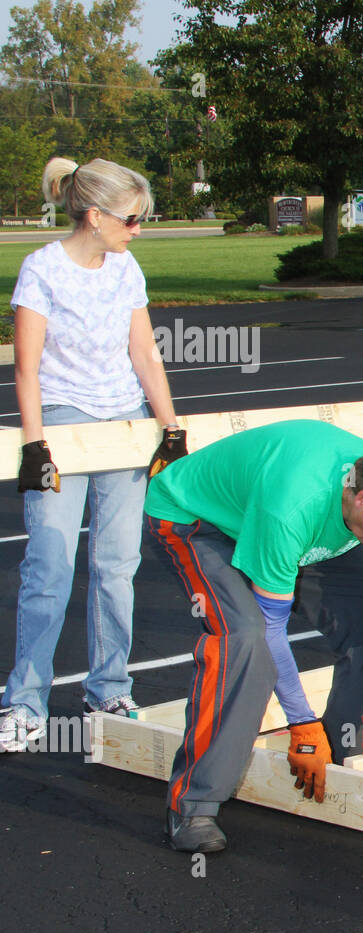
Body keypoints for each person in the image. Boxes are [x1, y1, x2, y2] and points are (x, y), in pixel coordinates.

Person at [144, 420, 363, 851]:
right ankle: (193, 805)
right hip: (197, 521)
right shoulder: (293, 505)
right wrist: (301, 724)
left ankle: (343, 749)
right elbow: (271, 628)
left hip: (293, 528)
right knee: (243, 638)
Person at [1, 157, 185, 754]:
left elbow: (145, 353)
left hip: (124, 423)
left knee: (117, 563)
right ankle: (24, 703)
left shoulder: (126, 266)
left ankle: (108, 687)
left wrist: (169, 425)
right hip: (63, 422)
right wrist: (35, 445)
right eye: (131, 219)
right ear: (95, 214)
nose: (138, 230)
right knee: (50, 567)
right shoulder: (42, 270)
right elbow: (26, 366)